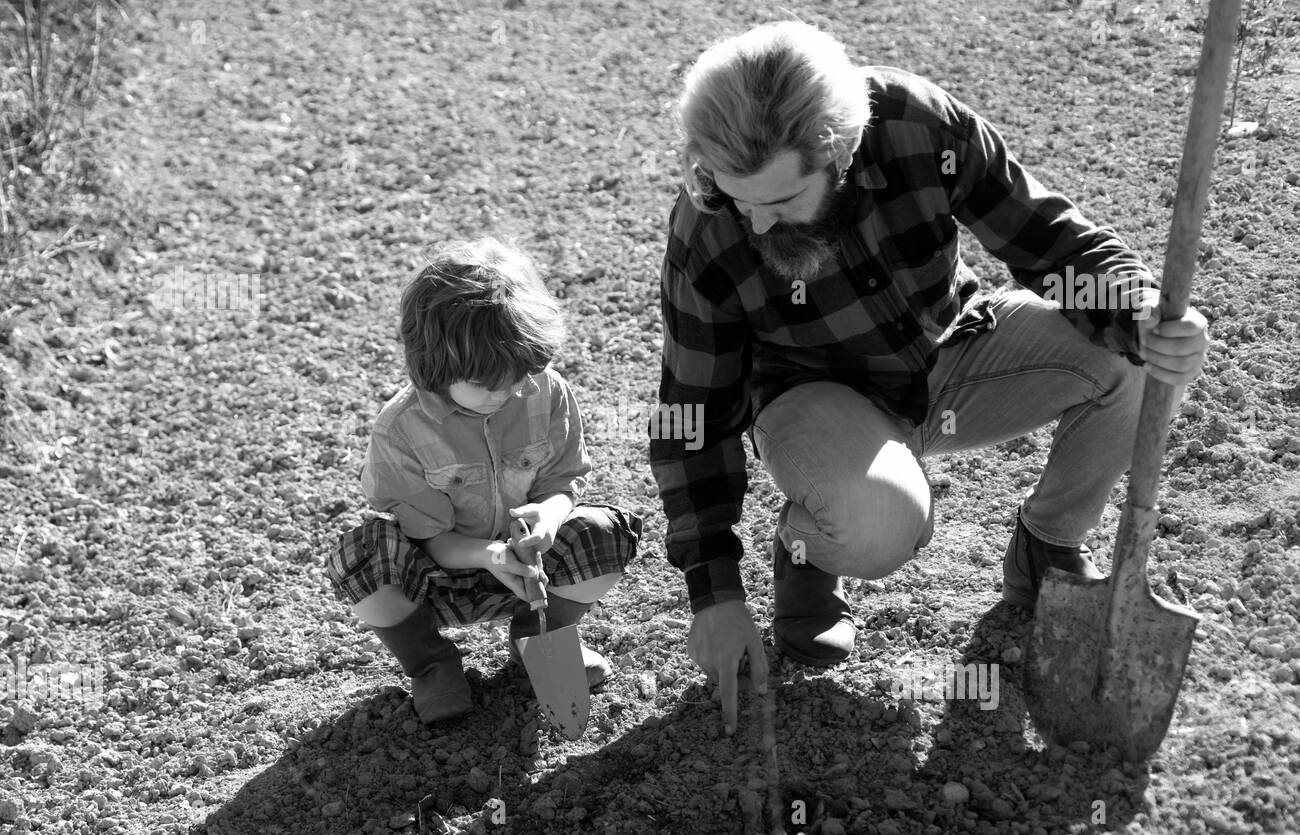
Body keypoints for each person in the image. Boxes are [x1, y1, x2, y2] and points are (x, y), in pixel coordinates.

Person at [650, 21, 1209, 734]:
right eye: (738, 198)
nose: (757, 224)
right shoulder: (709, 229)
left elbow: (1049, 240)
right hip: (816, 398)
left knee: (1124, 358)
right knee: (879, 528)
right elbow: (691, 416)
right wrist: (715, 593)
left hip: (955, 349)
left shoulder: (919, 125)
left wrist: (1142, 316)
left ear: (842, 150)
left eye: (783, 202)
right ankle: (807, 546)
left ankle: (1047, 545)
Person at [326, 238, 642, 723]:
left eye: (517, 378)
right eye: (488, 384)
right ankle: (431, 664)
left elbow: (564, 481)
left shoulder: (545, 392)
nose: (507, 393)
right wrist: (490, 555)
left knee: (604, 534)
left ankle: (539, 637)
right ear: (436, 364)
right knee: (363, 556)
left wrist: (550, 517)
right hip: (440, 578)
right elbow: (430, 538)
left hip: (533, 570)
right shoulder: (402, 429)